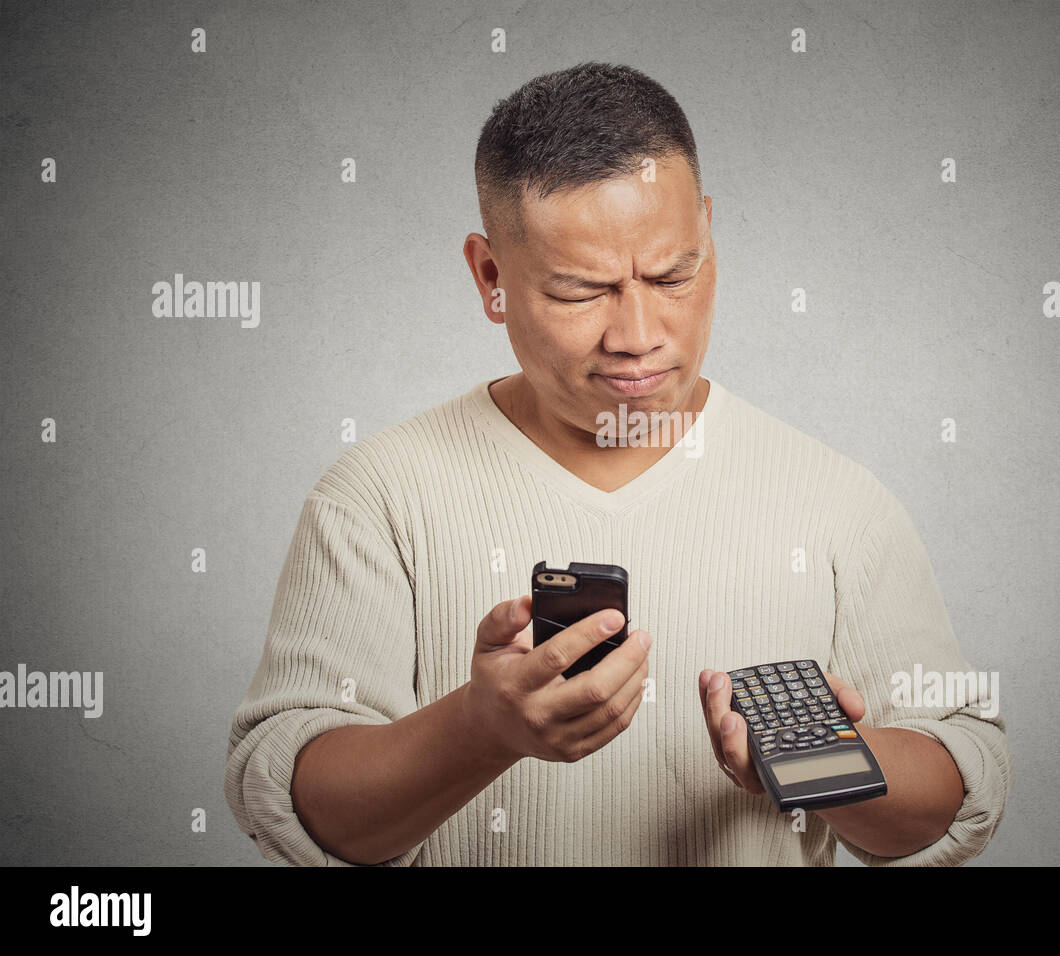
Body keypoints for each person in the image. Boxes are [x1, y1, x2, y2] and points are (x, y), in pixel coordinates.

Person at [224, 61, 1012, 866]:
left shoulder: (838, 502)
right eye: (579, 291)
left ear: (707, 231)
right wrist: (476, 733)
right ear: (491, 276)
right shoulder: (378, 498)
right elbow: (294, 802)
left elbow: (959, 783)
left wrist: (828, 766)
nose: (638, 334)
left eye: (674, 274)